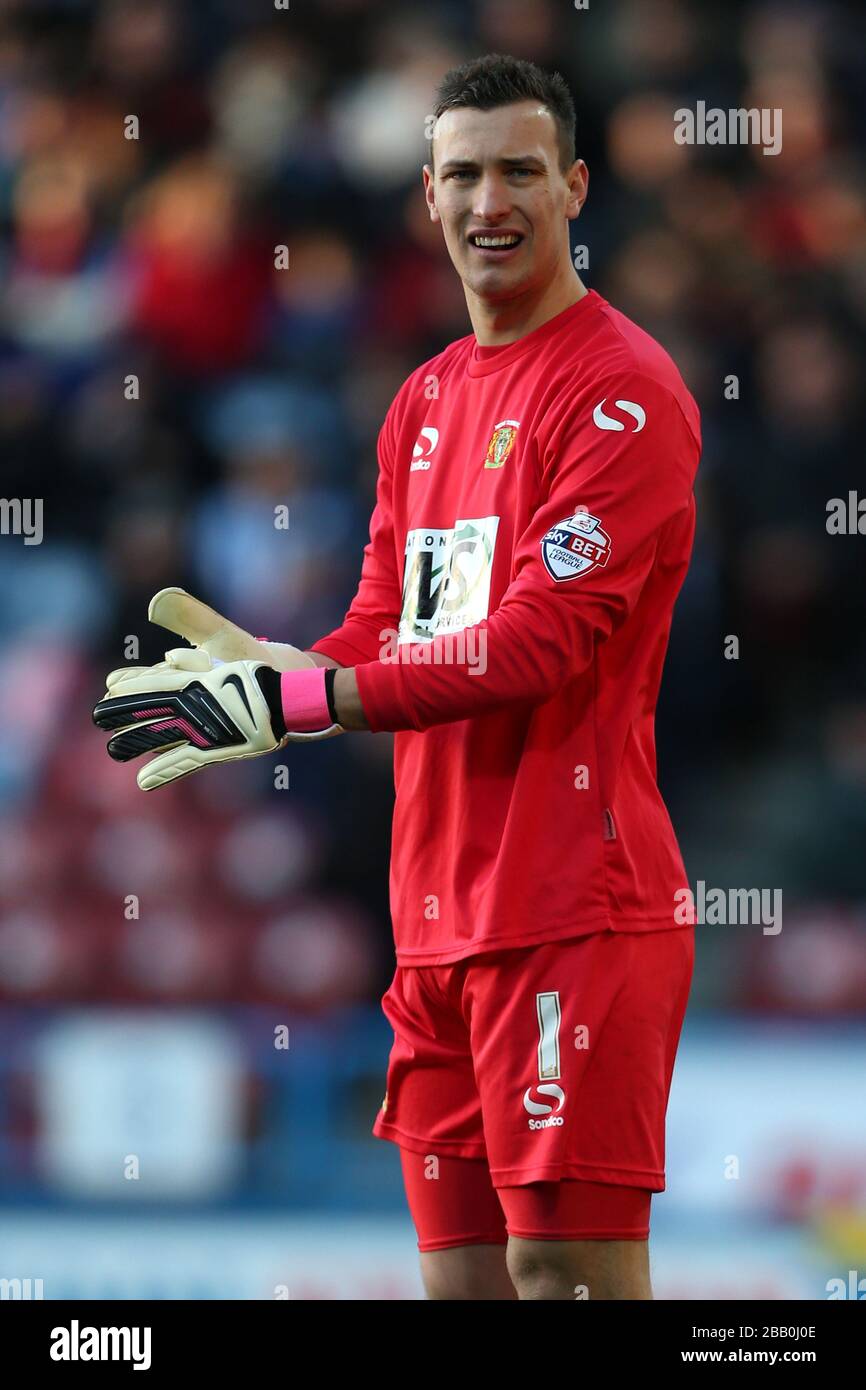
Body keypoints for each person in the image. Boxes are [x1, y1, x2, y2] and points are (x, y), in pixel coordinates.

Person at [95, 52, 701, 1301]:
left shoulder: (621, 393)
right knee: (465, 1287)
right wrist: (277, 675)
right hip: (434, 918)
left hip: (571, 911)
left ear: (575, 186)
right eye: (464, 174)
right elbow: (385, 618)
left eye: (521, 171)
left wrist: (310, 701)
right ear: (427, 196)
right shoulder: (420, 400)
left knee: (560, 1273)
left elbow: (539, 638)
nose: (493, 202)